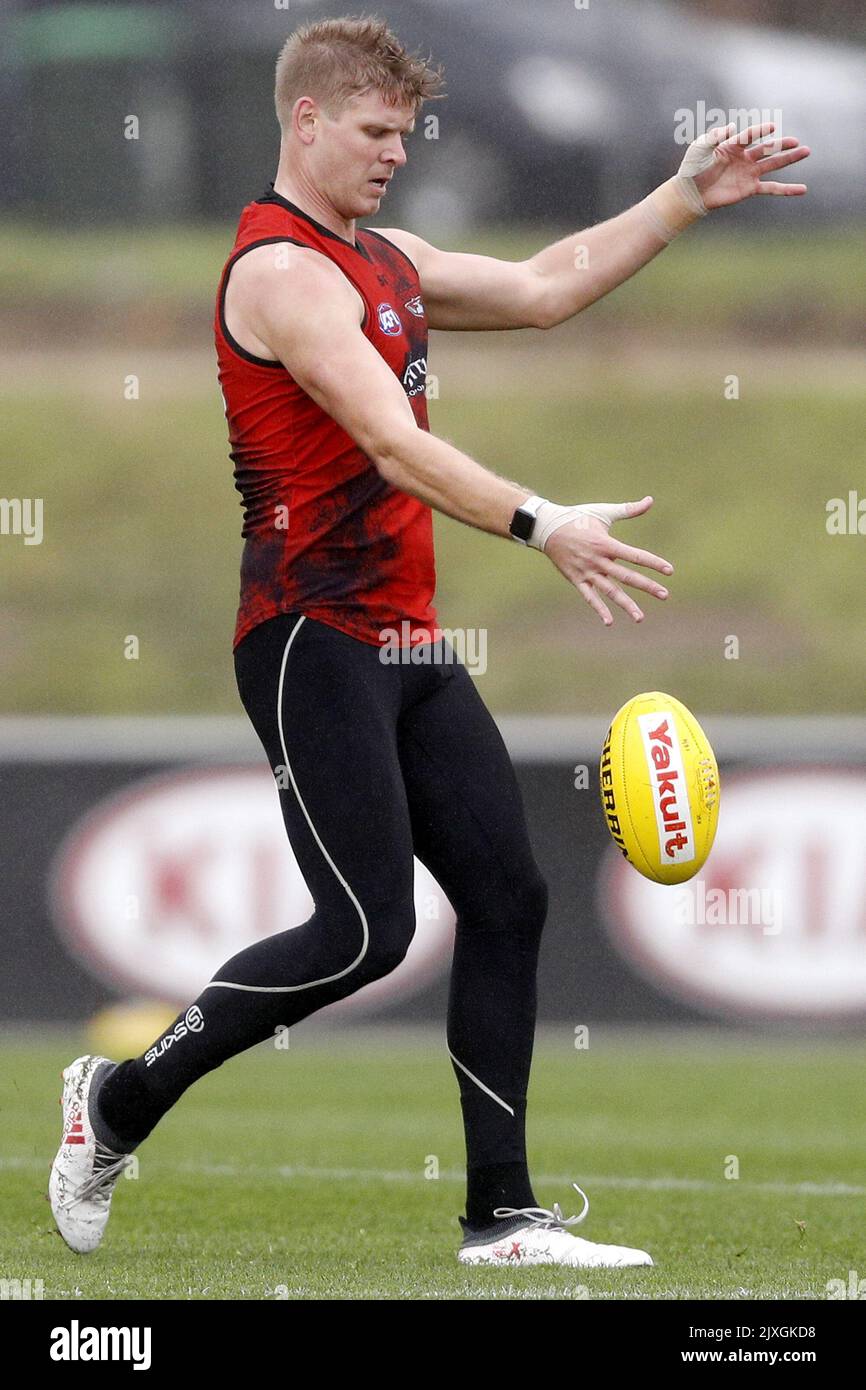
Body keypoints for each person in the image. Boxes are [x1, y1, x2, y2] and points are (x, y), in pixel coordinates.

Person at [49, 16, 809, 1267]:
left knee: (507, 896)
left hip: (404, 640)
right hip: (307, 635)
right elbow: (390, 444)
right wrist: (541, 519)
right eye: (373, 131)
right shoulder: (281, 273)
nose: (395, 153)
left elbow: (546, 285)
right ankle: (114, 1103)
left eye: (404, 133)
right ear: (305, 121)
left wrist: (679, 198)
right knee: (361, 931)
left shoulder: (387, 256)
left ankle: (500, 1217)